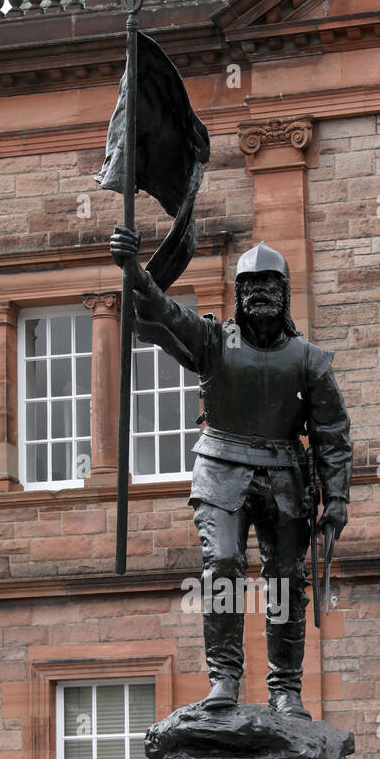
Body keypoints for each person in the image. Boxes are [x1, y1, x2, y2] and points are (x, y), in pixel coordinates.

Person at [111, 227, 352, 720]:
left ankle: (286, 688)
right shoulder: (215, 340)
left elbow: (332, 432)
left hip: (285, 475)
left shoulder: (309, 359)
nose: (260, 293)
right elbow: (166, 313)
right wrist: (136, 271)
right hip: (221, 468)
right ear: (239, 294)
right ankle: (224, 678)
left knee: (287, 580)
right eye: (251, 286)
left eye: (270, 285)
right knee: (222, 566)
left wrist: (338, 499)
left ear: (284, 294)